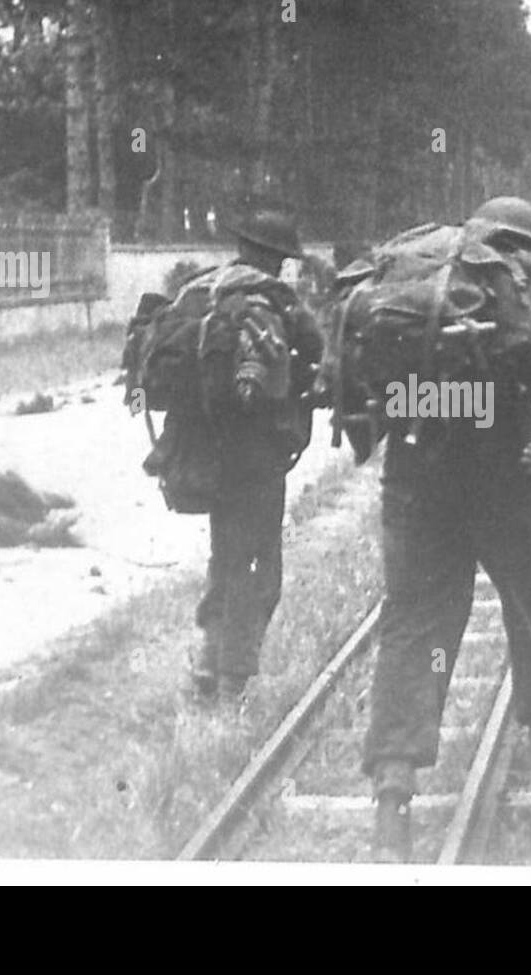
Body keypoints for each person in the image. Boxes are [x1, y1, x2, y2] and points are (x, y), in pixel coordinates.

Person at [362, 196, 531, 861]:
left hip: (417, 471)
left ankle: (394, 798)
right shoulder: (530, 289)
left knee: (412, 620)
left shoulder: (416, 279)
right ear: (525, 244)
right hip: (504, 472)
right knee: (525, 608)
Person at [190, 210, 324, 702]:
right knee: (259, 567)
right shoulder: (277, 303)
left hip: (211, 450)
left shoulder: (208, 292)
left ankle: (207, 663)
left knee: (225, 553)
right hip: (259, 454)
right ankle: (232, 685)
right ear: (271, 258)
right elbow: (314, 353)